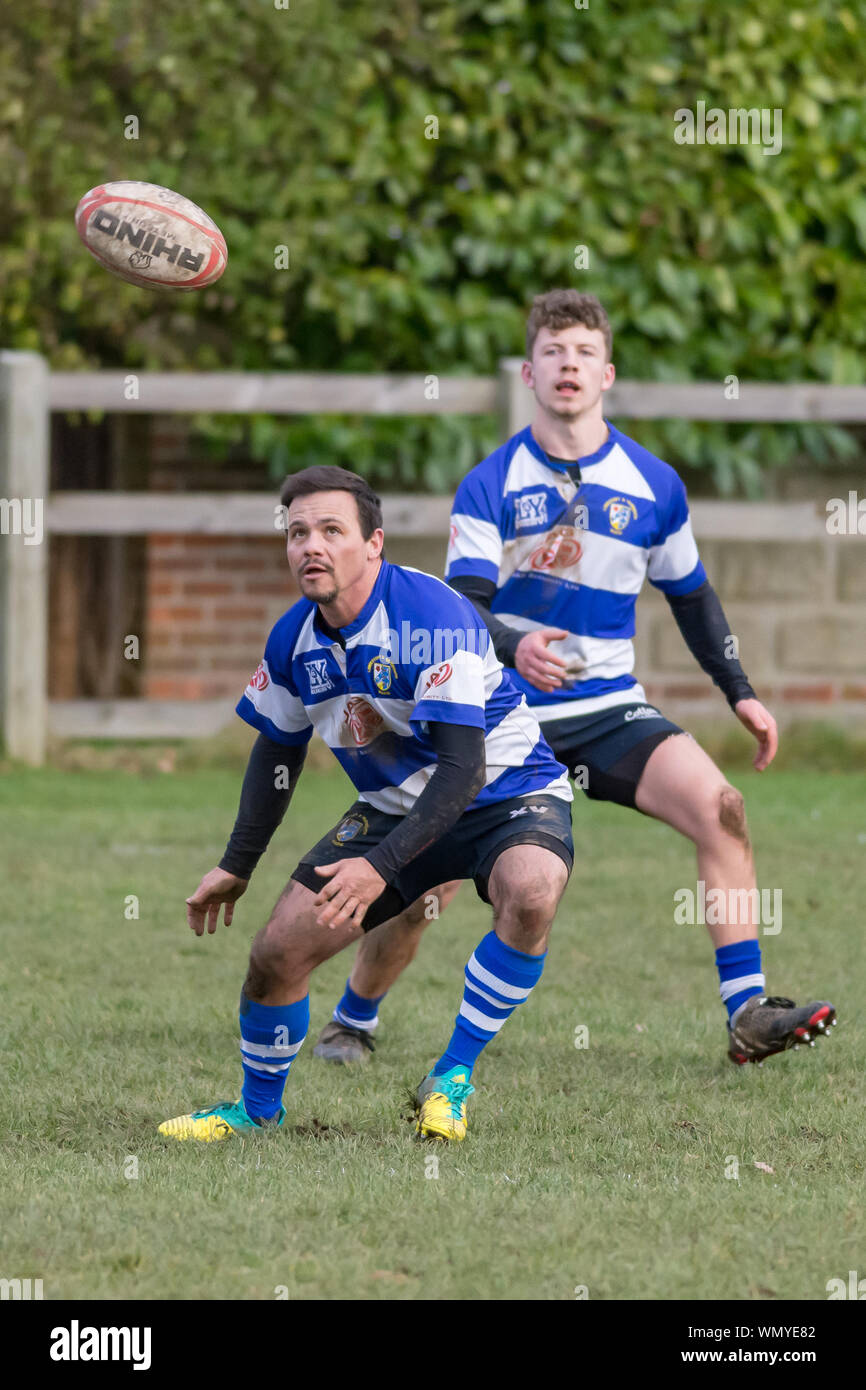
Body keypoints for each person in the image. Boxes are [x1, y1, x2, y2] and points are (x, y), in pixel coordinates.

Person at [312, 289, 835, 1068]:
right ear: (529, 371)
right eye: (554, 352)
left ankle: (747, 1012)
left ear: (607, 372)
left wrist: (742, 692)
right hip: (499, 710)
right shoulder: (489, 483)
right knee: (429, 884)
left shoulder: (654, 484)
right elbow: (466, 607)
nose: (569, 365)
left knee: (722, 806)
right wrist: (516, 646)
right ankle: (354, 1020)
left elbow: (691, 596)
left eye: (584, 352)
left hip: (608, 710)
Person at [158, 464, 574, 1145]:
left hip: (506, 792)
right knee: (274, 956)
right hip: (391, 806)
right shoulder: (293, 638)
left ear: (373, 543)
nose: (310, 547)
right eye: (297, 533)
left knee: (531, 894)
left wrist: (381, 867)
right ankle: (256, 1113)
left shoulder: (434, 616)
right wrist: (238, 862)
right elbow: (277, 750)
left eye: (330, 530)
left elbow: (463, 768)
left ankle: (452, 1076)